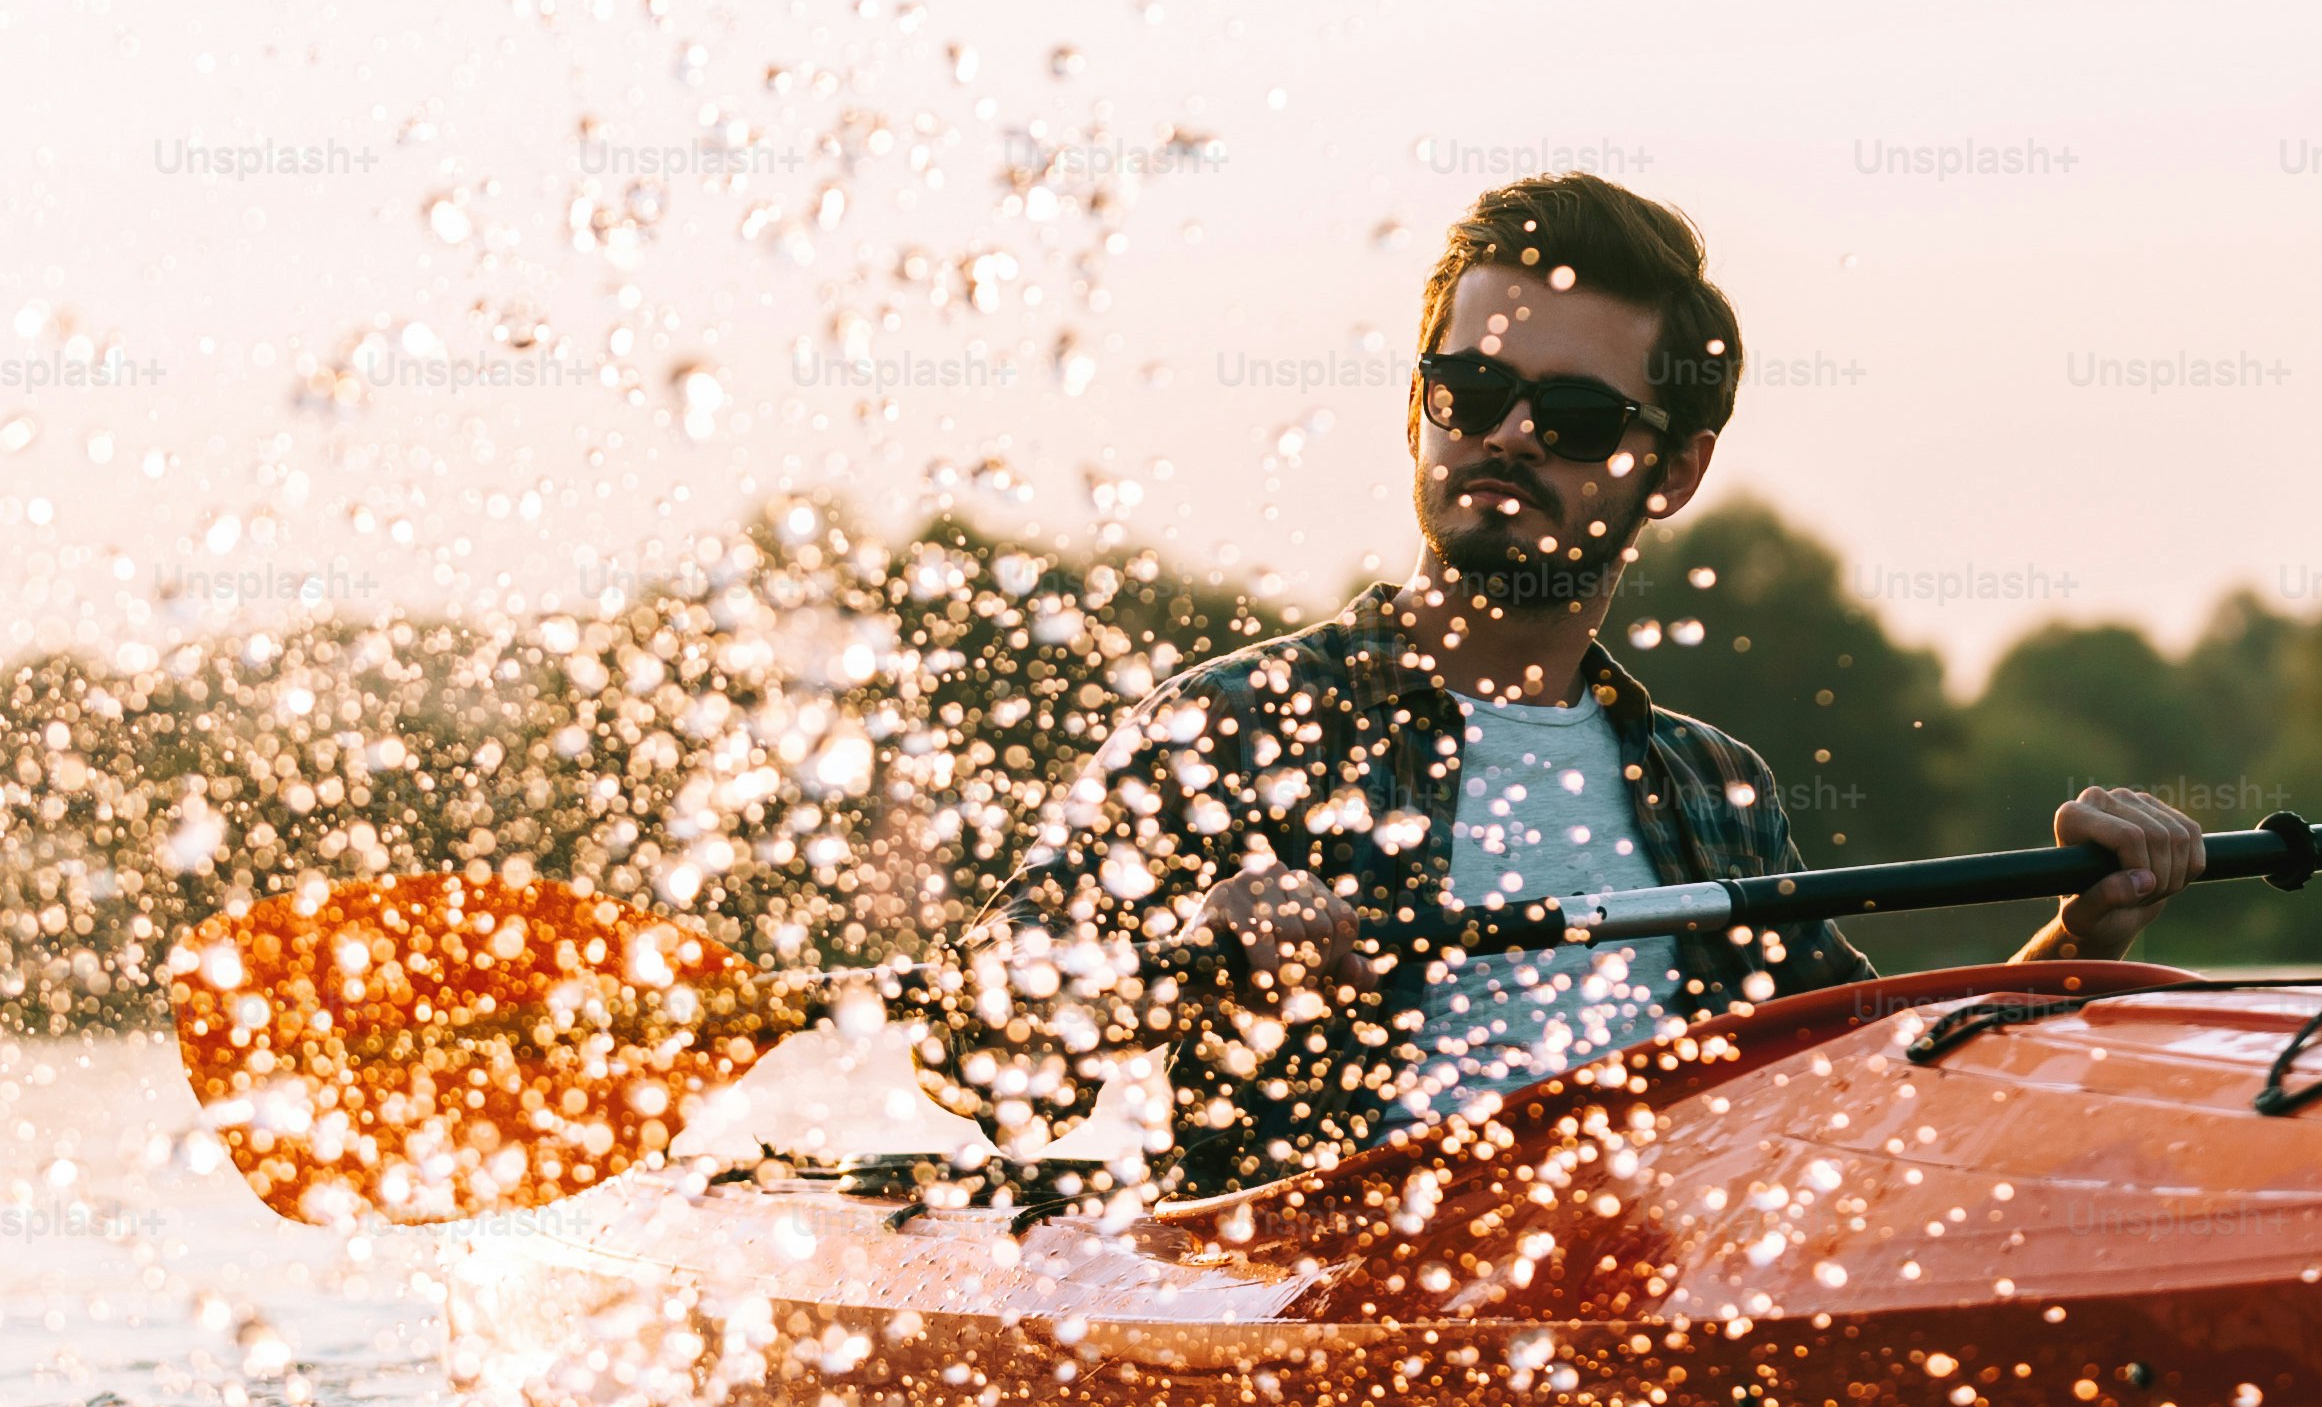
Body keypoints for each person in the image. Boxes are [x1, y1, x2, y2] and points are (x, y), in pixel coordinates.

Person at [944, 173, 2204, 1193]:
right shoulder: (1234, 726)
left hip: (1641, 1309)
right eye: (1471, 391)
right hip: (1321, 1329)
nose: (1505, 436)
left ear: (1674, 472)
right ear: (1415, 411)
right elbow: (977, 1054)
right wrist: (1197, 952)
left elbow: (1876, 1071)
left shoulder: (1711, 785)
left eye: (1576, 419)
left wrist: (2085, 935)